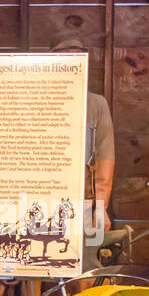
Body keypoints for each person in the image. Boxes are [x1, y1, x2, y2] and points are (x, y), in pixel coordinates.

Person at [50, 38, 115, 260]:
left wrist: (101, 207)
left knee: (85, 264)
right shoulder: (41, 99)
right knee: (40, 265)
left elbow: (105, 158)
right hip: (44, 200)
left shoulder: (96, 105)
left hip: (84, 204)